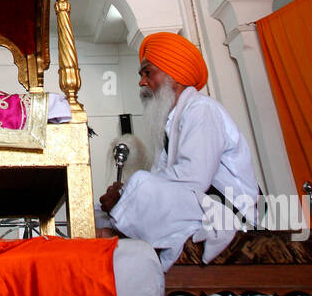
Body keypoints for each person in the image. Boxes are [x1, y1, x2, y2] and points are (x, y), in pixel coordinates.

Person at [98, 32, 259, 268]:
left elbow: (193, 178)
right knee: (100, 207)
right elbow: (163, 177)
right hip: (197, 204)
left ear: (174, 76)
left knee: (140, 184)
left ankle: (118, 235)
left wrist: (128, 194)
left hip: (228, 211)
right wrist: (124, 194)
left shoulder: (201, 110)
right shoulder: (171, 122)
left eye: (147, 72)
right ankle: (108, 238)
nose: (142, 82)